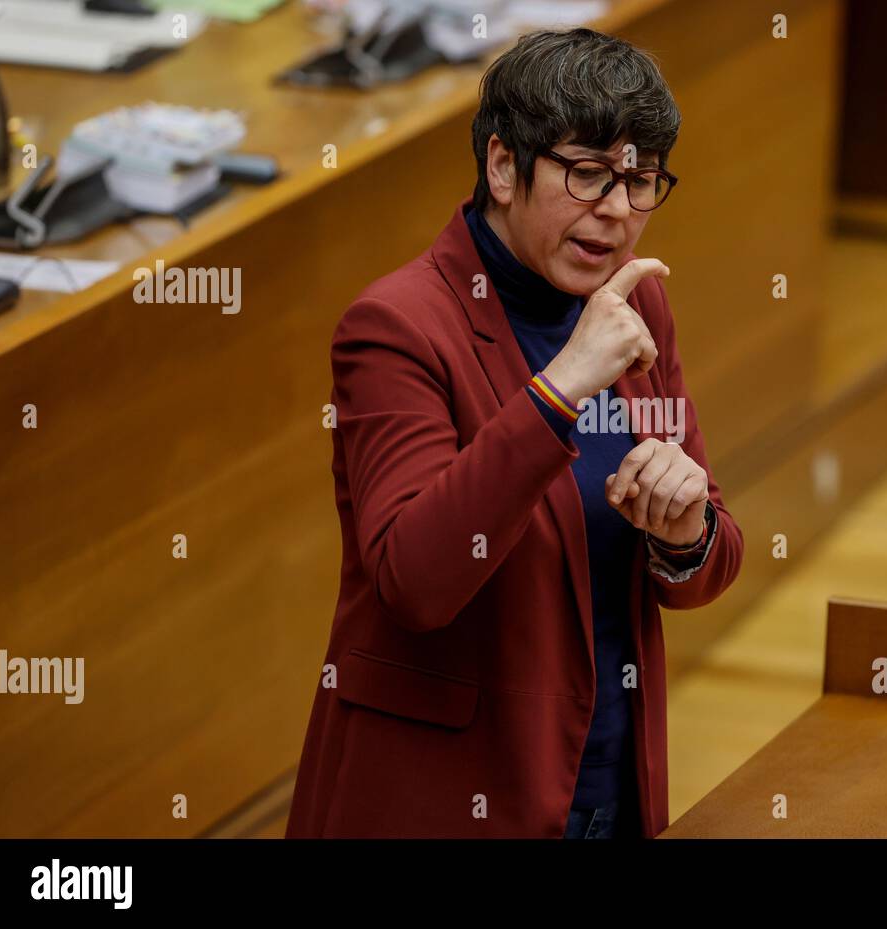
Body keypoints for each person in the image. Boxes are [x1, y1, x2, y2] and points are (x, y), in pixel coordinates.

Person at [286, 27, 743, 839]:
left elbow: (709, 560)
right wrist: (560, 388)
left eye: (638, 181)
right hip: (447, 802)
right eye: (587, 174)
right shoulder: (398, 327)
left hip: (608, 784)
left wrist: (685, 531)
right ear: (503, 166)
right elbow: (416, 580)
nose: (616, 211)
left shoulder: (637, 307)